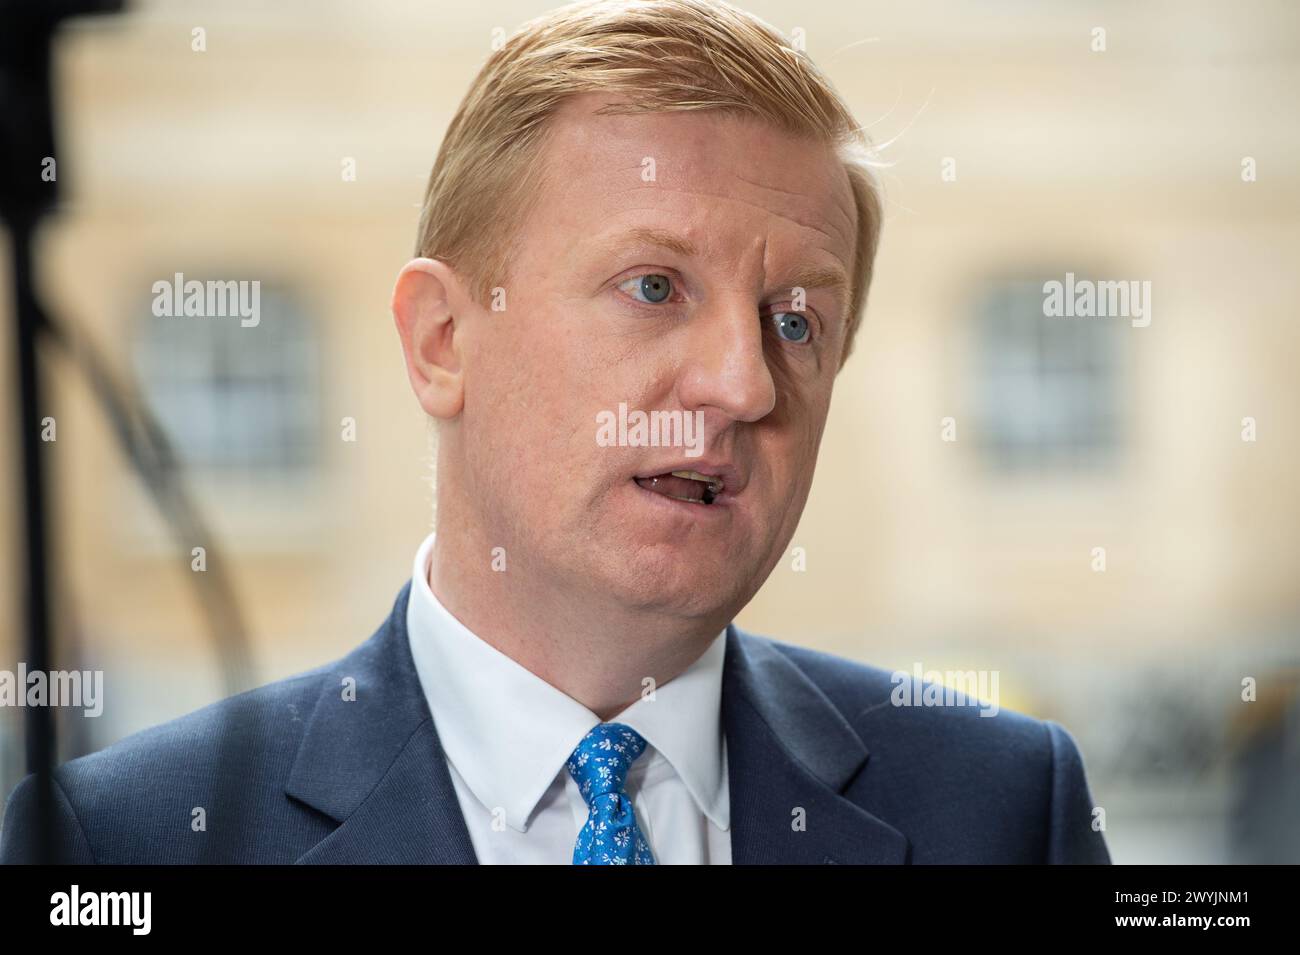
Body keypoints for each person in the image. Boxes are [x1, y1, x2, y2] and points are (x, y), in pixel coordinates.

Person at [0, 0, 1110, 865]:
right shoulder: (126, 839)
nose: (742, 385)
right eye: (653, 286)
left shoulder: (1005, 804)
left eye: (795, 321)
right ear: (441, 340)